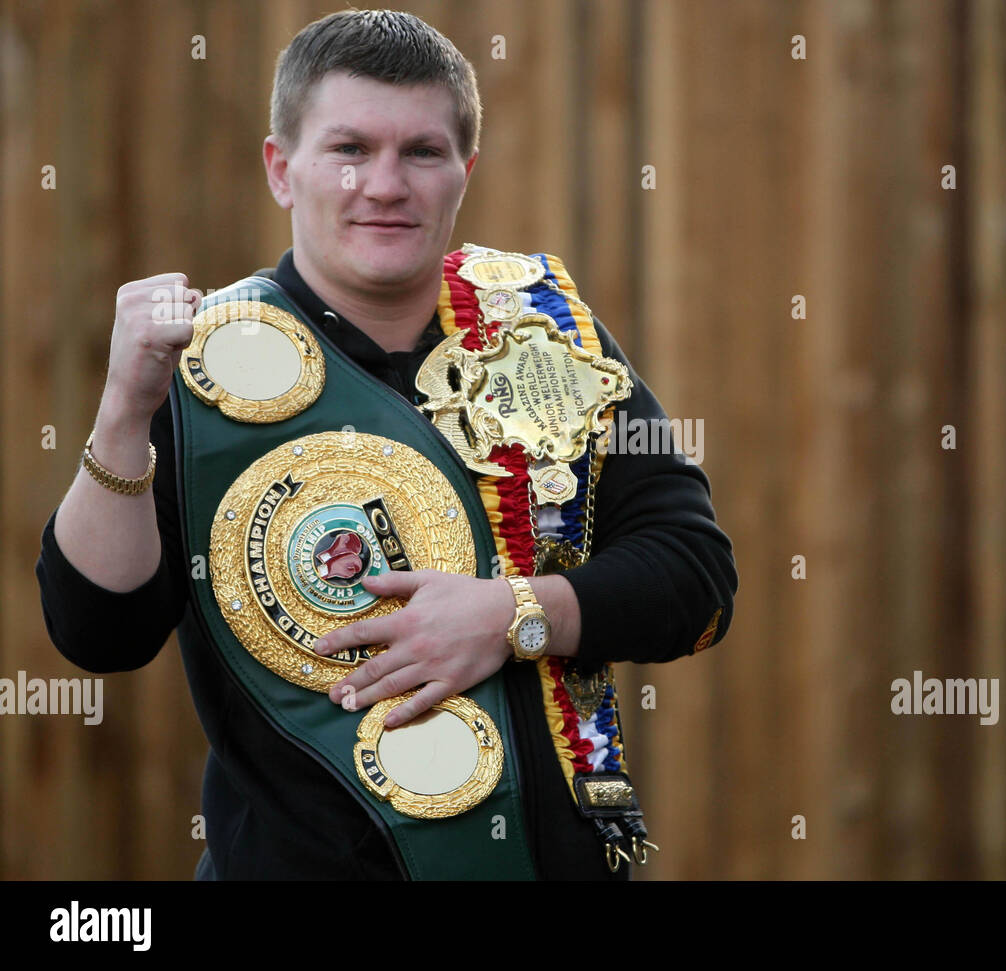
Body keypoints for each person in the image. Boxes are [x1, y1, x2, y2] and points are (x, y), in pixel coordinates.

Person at [35, 9, 736, 880]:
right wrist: (121, 411)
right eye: (350, 150)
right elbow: (99, 632)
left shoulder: (545, 334)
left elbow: (696, 580)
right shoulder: (197, 363)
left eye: (422, 153)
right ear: (281, 169)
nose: (386, 185)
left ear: (464, 173)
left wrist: (512, 615)